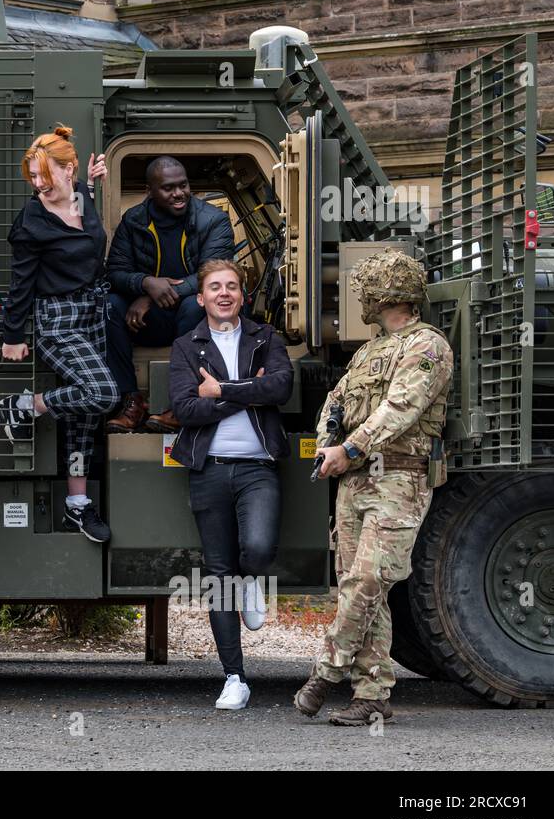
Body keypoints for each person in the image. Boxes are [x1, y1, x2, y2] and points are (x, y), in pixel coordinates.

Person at [294, 248, 452, 727]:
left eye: (364, 287)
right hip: (355, 481)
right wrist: (328, 445)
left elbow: (400, 409)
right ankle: (372, 694)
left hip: (399, 479)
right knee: (360, 590)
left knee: (368, 580)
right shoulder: (370, 350)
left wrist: (351, 449)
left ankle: (326, 669)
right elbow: (335, 403)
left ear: (382, 292)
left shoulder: (427, 346)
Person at [169, 259, 293, 710]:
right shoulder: (187, 345)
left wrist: (219, 390)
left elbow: (280, 388)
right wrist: (244, 391)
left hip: (258, 466)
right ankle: (234, 678)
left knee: (257, 549)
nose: (224, 293)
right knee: (219, 576)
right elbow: (184, 409)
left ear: (243, 296)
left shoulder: (265, 338)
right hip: (209, 469)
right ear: (200, 298)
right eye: (215, 287)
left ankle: (253, 579)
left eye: (233, 287)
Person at [0, 125, 116, 543]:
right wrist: (12, 333)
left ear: (70, 170)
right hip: (58, 319)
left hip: (93, 313)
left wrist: (94, 184)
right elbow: (21, 282)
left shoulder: (83, 192)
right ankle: (25, 405)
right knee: (102, 392)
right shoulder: (32, 221)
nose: (39, 184)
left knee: (86, 416)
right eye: (32, 176)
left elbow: (88, 236)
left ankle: (77, 505)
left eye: (46, 174)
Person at [104, 156, 235, 434]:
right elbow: (115, 272)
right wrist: (144, 282)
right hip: (152, 321)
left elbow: (212, 276)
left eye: (183, 185)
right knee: (110, 305)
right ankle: (131, 401)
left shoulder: (214, 221)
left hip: (199, 323)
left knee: (196, 303)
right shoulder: (134, 221)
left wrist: (151, 294)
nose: (179, 193)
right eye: (168, 188)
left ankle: (183, 403)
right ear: (150, 190)